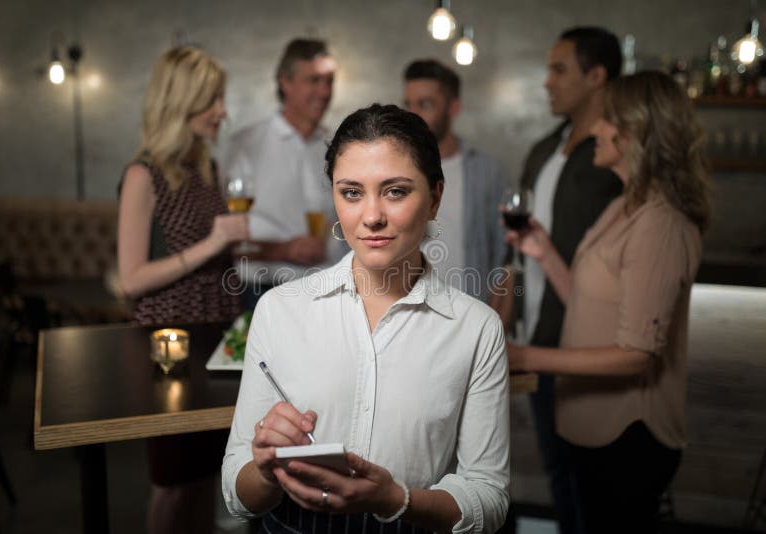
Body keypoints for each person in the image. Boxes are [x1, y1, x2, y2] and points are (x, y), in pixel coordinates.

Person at [222, 104, 511, 533]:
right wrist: (264, 469)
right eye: (352, 192)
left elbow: (489, 498)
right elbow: (236, 492)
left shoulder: (477, 329)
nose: (371, 216)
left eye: (395, 191)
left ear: (434, 198)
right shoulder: (280, 310)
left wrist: (396, 500)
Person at [507, 71, 711, 534]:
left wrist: (523, 357)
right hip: (589, 423)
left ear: (636, 130)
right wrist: (543, 250)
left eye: (606, 121)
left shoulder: (660, 223)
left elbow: (637, 354)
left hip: (628, 437)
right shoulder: (624, 205)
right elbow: (585, 300)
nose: (594, 130)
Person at [117, 46, 247, 534]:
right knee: (172, 482)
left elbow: (213, 253)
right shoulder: (142, 174)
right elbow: (131, 278)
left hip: (218, 333)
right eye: (212, 98)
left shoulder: (206, 168)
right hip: (169, 341)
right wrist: (216, 240)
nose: (223, 110)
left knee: (202, 477)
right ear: (181, 101)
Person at [516, 26, 624, 533]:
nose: (547, 82)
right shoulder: (543, 150)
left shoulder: (615, 158)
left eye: (559, 69)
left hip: (591, 342)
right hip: (540, 335)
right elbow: (516, 249)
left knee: (595, 482)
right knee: (559, 472)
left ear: (597, 75)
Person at [221, 38, 341, 304]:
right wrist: (283, 250)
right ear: (284, 82)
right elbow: (221, 237)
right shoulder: (245, 145)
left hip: (327, 289)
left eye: (329, 81)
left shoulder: (339, 147)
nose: (324, 91)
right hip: (261, 290)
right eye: (313, 80)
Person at [403, 59, 508, 302]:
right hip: (403, 311)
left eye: (425, 104)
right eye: (408, 104)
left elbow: (505, 257)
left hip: (467, 311)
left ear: (453, 108)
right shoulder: (388, 170)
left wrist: (495, 322)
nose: (412, 115)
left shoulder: (488, 172)